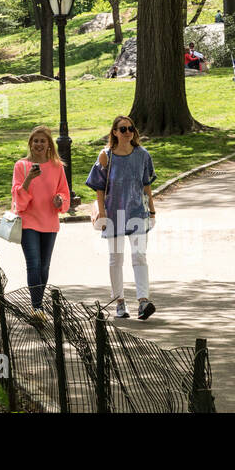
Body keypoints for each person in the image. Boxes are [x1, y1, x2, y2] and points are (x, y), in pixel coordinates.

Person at [87, 115, 157, 321]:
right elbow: (99, 188)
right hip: (114, 213)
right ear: (115, 133)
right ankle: (119, 301)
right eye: (122, 129)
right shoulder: (106, 156)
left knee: (140, 257)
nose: (127, 132)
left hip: (138, 212)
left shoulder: (143, 155)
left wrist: (152, 211)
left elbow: (147, 185)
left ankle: (143, 301)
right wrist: (102, 212)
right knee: (116, 259)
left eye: (130, 129)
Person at [11, 125, 72, 321]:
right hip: (28, 221)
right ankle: (37, 308)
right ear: (30, 144)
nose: (38, 144)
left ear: (49, 145)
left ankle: (37, 306)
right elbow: (18, 199)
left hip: (49, 222)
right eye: (35, 141)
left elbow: (64, 192)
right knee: (34, 265)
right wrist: (28, 179)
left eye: (42, 141)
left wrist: (60, 200)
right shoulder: (21, 166)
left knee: (44, 267)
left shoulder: (57, 167)